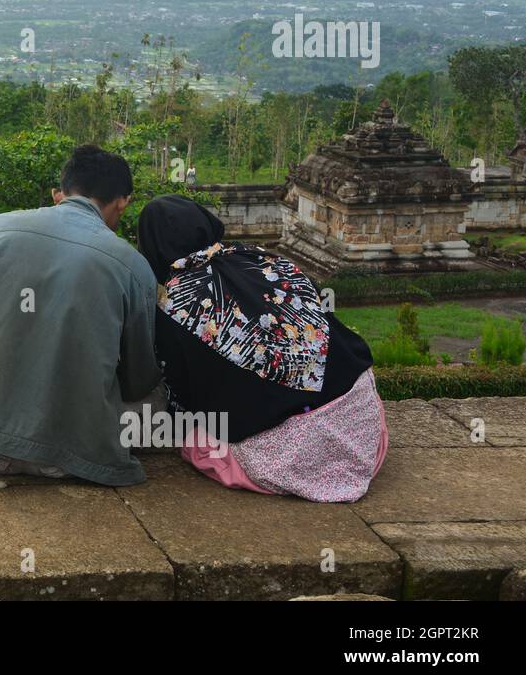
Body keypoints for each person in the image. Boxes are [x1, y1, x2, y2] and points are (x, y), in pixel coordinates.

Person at [0, 145, 162, 485]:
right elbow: (138, 379)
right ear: (122, 201)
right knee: (157, 399)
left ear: (61, 194)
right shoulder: (133, 265)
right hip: (76, 458)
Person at [137, 194, 387, 502]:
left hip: (290, 455)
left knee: (191, 434)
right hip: (358, 421)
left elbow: (184, 397)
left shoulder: (173, 307)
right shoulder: (268, 261)